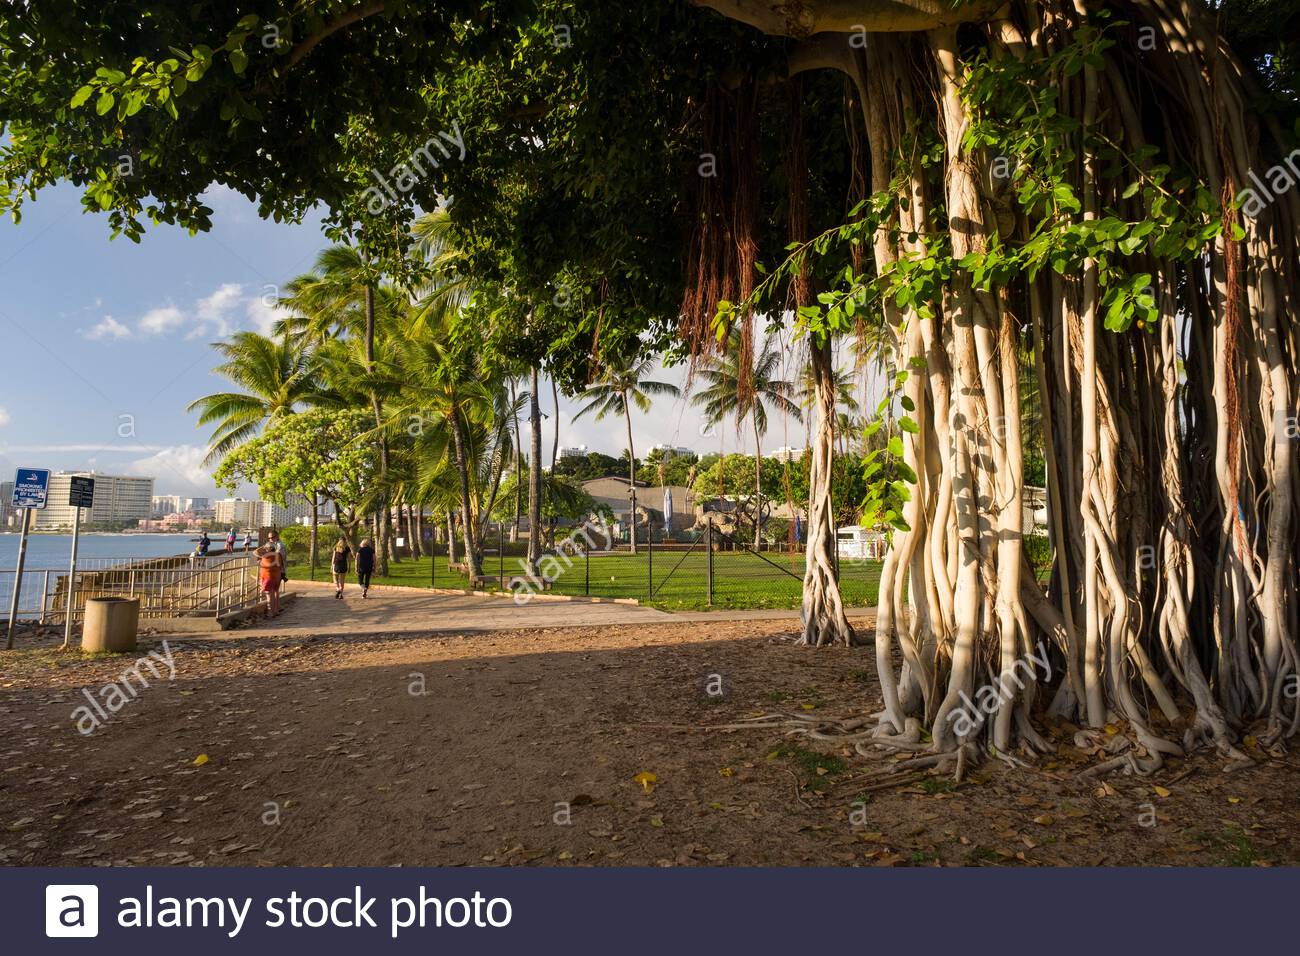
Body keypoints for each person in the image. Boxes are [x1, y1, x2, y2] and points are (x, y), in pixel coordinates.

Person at [256, 540, 282, 617]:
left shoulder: (266, 556)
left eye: (266, 548)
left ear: (269, 548)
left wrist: (263, 547)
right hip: (276, 577)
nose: (265, 549)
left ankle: (271, 612)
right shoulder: (277, 555)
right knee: (273, 594)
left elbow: (255, 552)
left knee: (269, 596)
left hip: (267, 578)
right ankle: (275, 611)